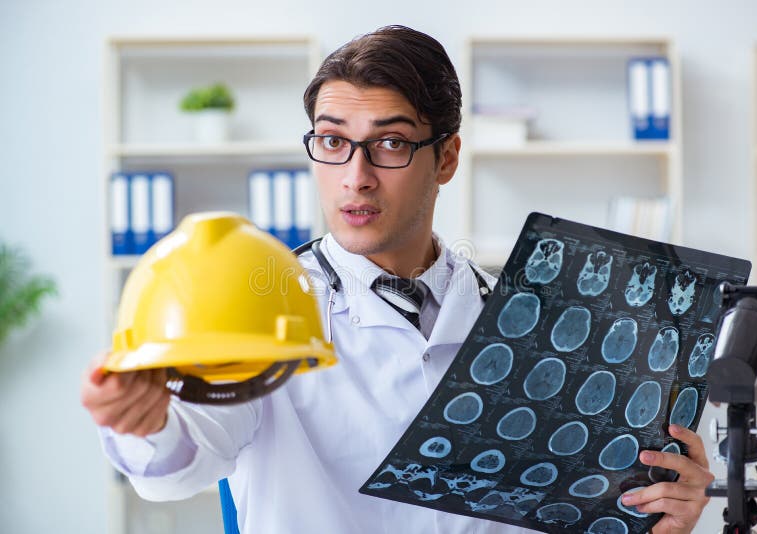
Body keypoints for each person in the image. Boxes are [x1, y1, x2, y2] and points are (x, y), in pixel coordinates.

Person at [81, 25, 714, 534]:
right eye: (333, 142)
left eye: (389, 144)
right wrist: (143, 424)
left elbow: (564, 509)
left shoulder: (531, 319)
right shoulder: (265, 306)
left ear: (447, 158)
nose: (355, 177)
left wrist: (662, 512)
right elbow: (181, 462)